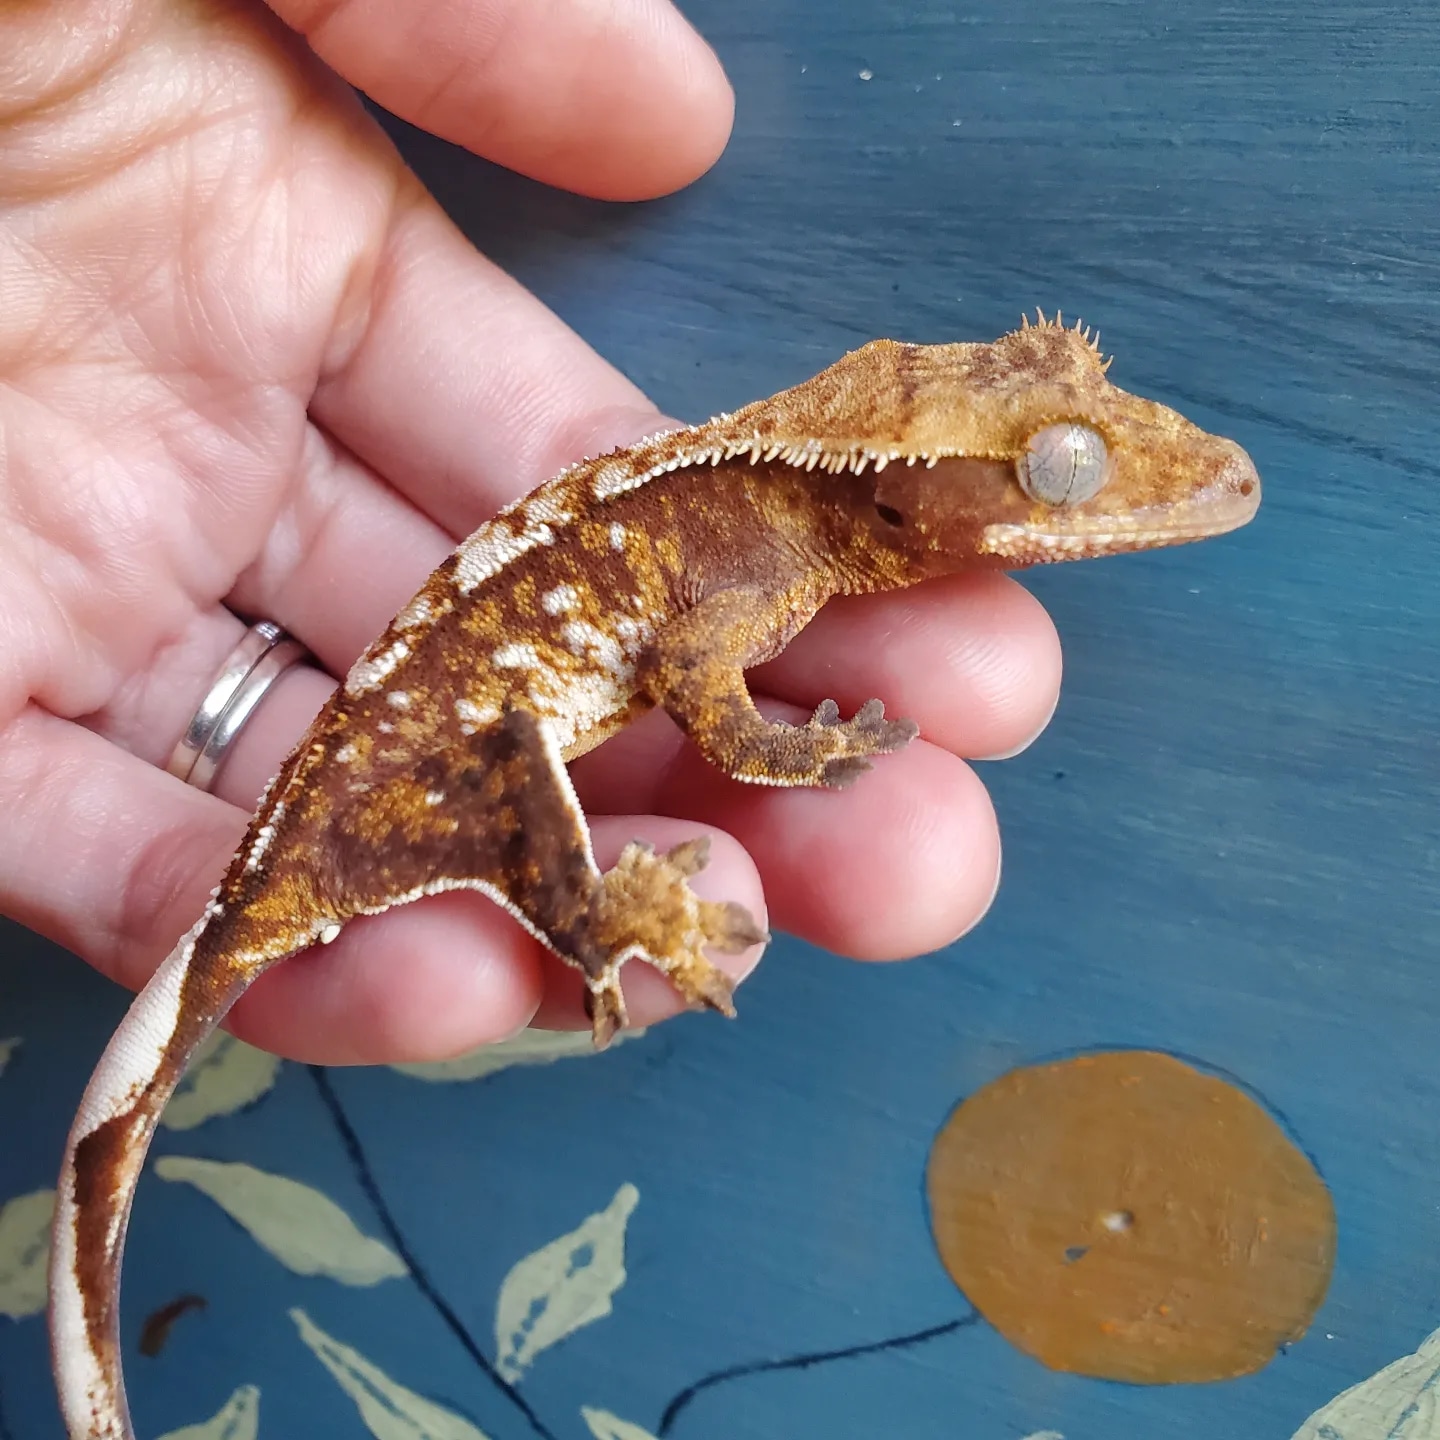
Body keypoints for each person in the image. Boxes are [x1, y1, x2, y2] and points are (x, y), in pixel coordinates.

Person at [0, 0, 1061, 1064]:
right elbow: (690, 678)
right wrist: (787, 752)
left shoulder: (767, 545)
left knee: (490, 815)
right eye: (1055, 471)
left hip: (383, 773)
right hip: (392, 791)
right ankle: (595, 927)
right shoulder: (768, 560)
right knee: (496, 793)